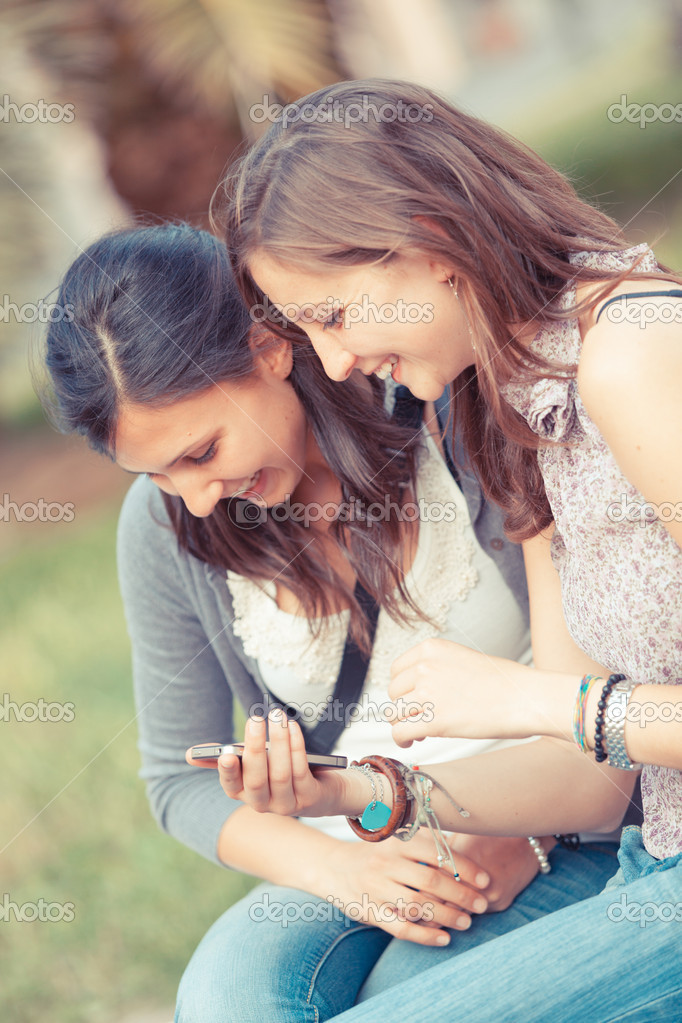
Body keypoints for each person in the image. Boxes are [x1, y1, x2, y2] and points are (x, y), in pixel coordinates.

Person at [40, 222, 631, 1023]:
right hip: (360, 836)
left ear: (267, 349)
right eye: (158, 473)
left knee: (399, 998)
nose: (198, 497)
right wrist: (338, 869)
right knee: (226, 1002)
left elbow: (601, 696)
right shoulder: (166, 524)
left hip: (555, 820)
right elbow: (178, 784)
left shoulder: (450, 409)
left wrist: (526, 835)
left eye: (202, 450)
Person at [219, 77, 682, 1018]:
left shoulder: (635, 355)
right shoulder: (526, 394)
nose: (336, 364)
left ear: (429, 237)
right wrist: (362, 787)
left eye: (332, 315)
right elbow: (596, 786)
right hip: (653, 859)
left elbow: (573, 712)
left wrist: (536, 701)